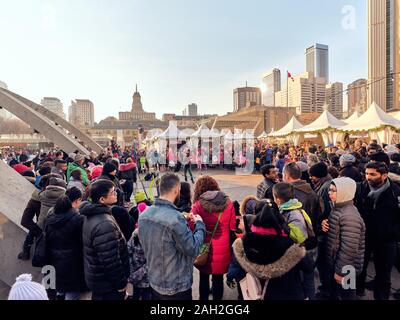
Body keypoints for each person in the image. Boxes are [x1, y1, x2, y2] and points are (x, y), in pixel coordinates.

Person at [139, 173, 206, 300]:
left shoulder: (144, 215)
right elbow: (193, 249)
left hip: (154, 282)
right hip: (176, 287)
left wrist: (181, 216)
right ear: (176, 189)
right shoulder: (174, 220)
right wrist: (200, 225)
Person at [232, 202, 314, 300]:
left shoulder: (244, 243)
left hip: (258, 295)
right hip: (290, 294)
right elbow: (309, 266)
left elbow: (236, 271)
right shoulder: (290, 246)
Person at [355, 161, 400, 300]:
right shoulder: (359, 188)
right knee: (358, 269)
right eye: (366, 173)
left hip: (386, 241)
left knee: (383, 275)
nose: (368, 177)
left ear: (385, 175)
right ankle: (357, 291)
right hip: (363, 238)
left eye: (373, 174)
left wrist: (393, 233)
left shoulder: (395, 192)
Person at [80, 179, 130, 300]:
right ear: (102, 199)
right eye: (113, 192)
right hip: (107, 284)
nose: (116, 193)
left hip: (99, 278)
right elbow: (110, 260)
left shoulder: (93, 214)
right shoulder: (103, 224)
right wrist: (121, 283)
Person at [191, 187, 236, 301]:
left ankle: (203, 298)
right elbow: (232, 226)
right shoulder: (229, 204)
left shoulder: (198, 205)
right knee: (218, 277)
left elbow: (192, 225)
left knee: (203, 276)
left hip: (204, 247)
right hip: (223, 247)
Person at [325, 177, 365, 300]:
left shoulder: (349, 215)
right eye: (330, 190)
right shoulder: (338, 207)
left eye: (333, 190)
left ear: (345, 192)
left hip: (347, 268)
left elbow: (349, 248)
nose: (329, 193)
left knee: (347, 295)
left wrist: (341, 271)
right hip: (338, 263)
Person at [44, 187, 86, 300]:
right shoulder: (78, 218)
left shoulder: (49, 217)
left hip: (52, 262)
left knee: (59, 292)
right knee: (72, 294)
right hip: (73, 263)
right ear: (77, 200)